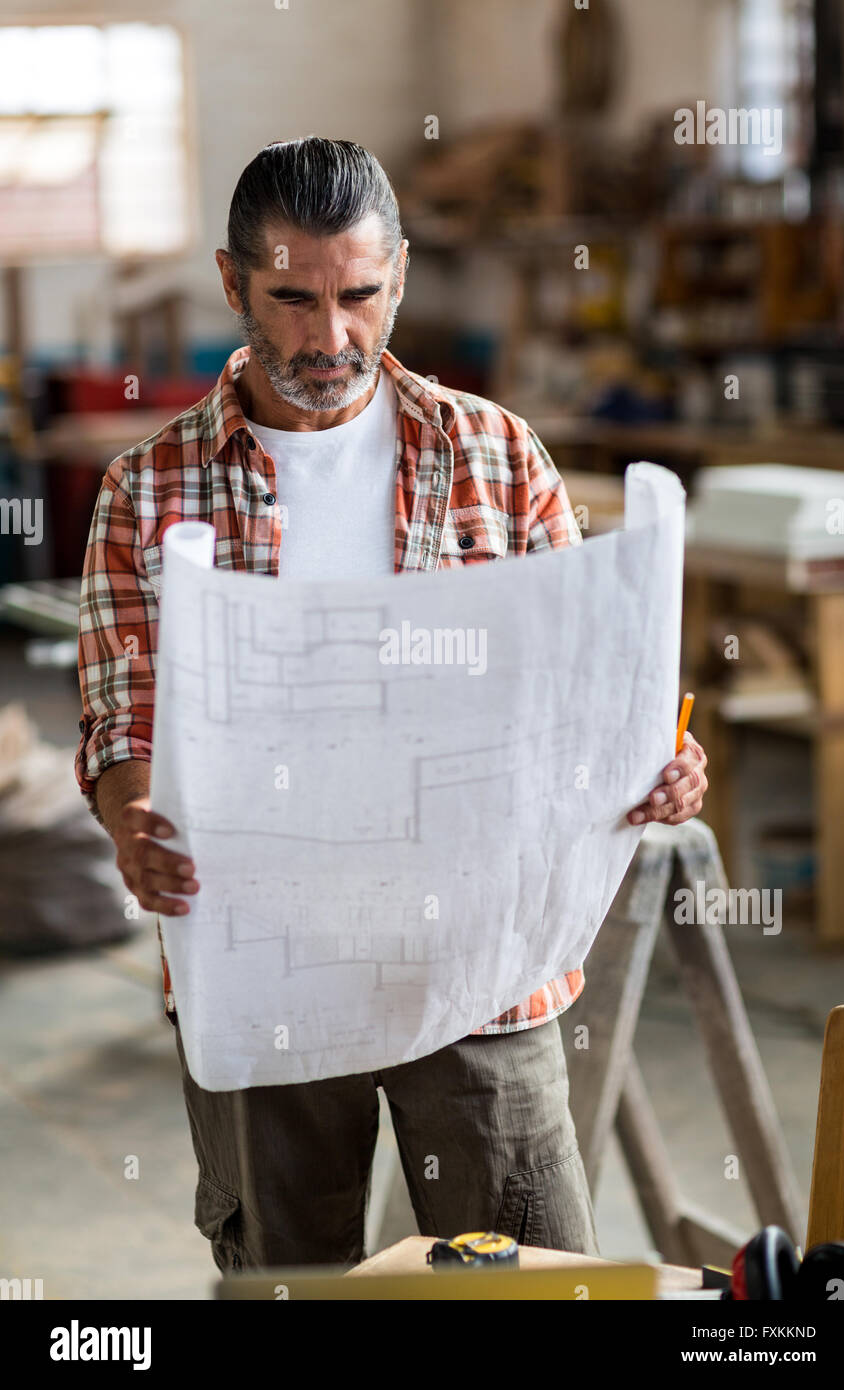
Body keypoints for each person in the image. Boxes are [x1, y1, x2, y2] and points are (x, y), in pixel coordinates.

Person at [76, 137, 708, 1272]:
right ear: (233, 284)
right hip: (259, 959)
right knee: (289, 1273)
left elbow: (587, 688)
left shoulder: (495, 455)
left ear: (400, 275)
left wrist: (652, 761)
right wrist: (131, 815)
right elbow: (124, 717)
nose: (328, 338)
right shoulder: (149, 487)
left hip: (477, 964)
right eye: (291, 299)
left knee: (525, 1276)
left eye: (359, 296)